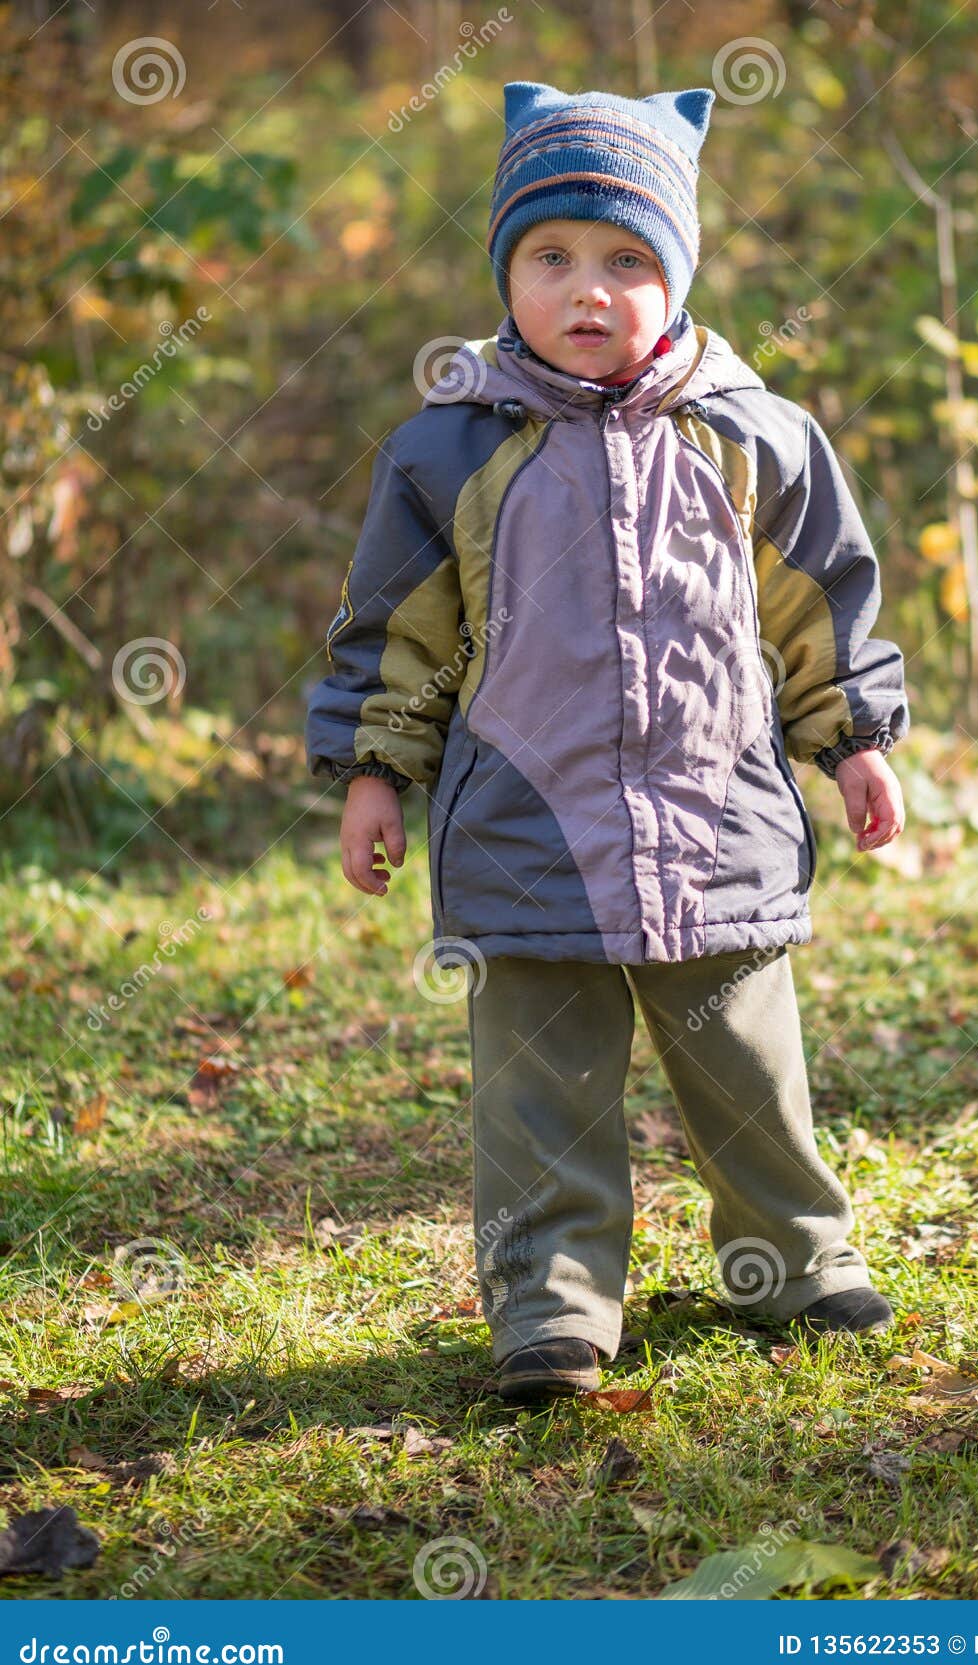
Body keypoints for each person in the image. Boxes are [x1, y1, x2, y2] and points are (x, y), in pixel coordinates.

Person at [305, 79, 909, 1406]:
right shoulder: (451, 447)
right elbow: (394, 632)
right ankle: (554, 1306)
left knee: (750, 1072)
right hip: (527, 828)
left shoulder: (753, 435)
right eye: (552, 257)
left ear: (678, 272)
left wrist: (853, 739)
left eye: (628, 260)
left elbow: (819, 603)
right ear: (506, 270)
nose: (589, 289)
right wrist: (372, 770)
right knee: (539, 1094)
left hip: (717, 818)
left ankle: (797, 1258)